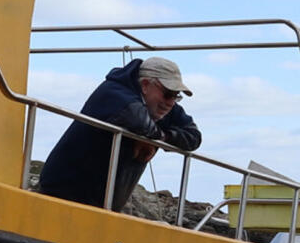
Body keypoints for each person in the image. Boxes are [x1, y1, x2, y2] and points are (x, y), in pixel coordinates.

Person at [33, 56, 201, 212]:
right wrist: (155, 138)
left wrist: (164, 138)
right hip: (62, 192)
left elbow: (194, 136)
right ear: (144, 85)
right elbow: (138, 121)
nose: (170, 103)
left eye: (176, 96)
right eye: (167, 94)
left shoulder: (159, 106)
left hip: (101, 204)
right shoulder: (113, 92)